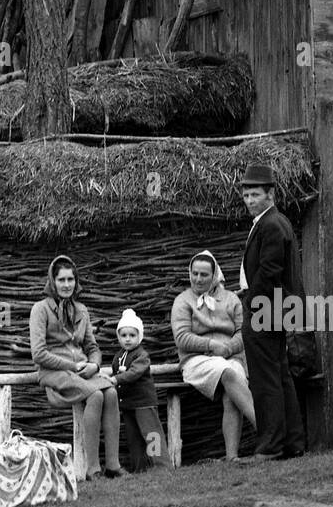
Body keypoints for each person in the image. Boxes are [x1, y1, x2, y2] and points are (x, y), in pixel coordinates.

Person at [29, 254, 126, 479]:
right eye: (61, 280)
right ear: (52, 282)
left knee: (111, 392)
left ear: (76, 281)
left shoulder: (81, 310)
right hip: (54, 373)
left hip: (82, 372)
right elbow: (39, 354)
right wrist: (73, 366)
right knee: (96, 395)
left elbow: (92, 347)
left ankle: (113, 465)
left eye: (70, 280)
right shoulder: (40, 309)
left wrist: (94, 364)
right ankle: (92, 469)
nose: (66, 285)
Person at [238, 164, 306, 460]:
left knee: (265, 379)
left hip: (265, 308)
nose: (250, 200)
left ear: (271, 194)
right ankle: (292, 443)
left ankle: (270, 447)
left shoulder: (271, 224)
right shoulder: (272, 222)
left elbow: (269, 272)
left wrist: (251, 301)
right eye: (246, 195)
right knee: (280, 375)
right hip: (272, 308)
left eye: (255, 194)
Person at [170, 250, 256, 462]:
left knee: (231, 385)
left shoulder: (231, 299)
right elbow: (182, 338)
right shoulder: (183, 301)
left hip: (230, 357)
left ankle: (232, 457)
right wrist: (210, 344)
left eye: (204, 275)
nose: (198, 279)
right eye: (194, 273)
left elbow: (243, 332)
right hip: (196, 361)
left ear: (214, 275)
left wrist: (228, 349)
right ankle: (265, 430)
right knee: (227, 371)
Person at [111, 308, 169, 471]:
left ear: (139, 336)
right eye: (123, 335)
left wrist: (116, 379)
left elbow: (134, 373)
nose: (127, 339)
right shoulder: (118, 356)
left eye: (132, 335)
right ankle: (139, 468)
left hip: (143, 403)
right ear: (119, 337)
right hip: (128, 404)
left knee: (151, 434)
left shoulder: (141, 355)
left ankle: (161, 465)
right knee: (134, 437)